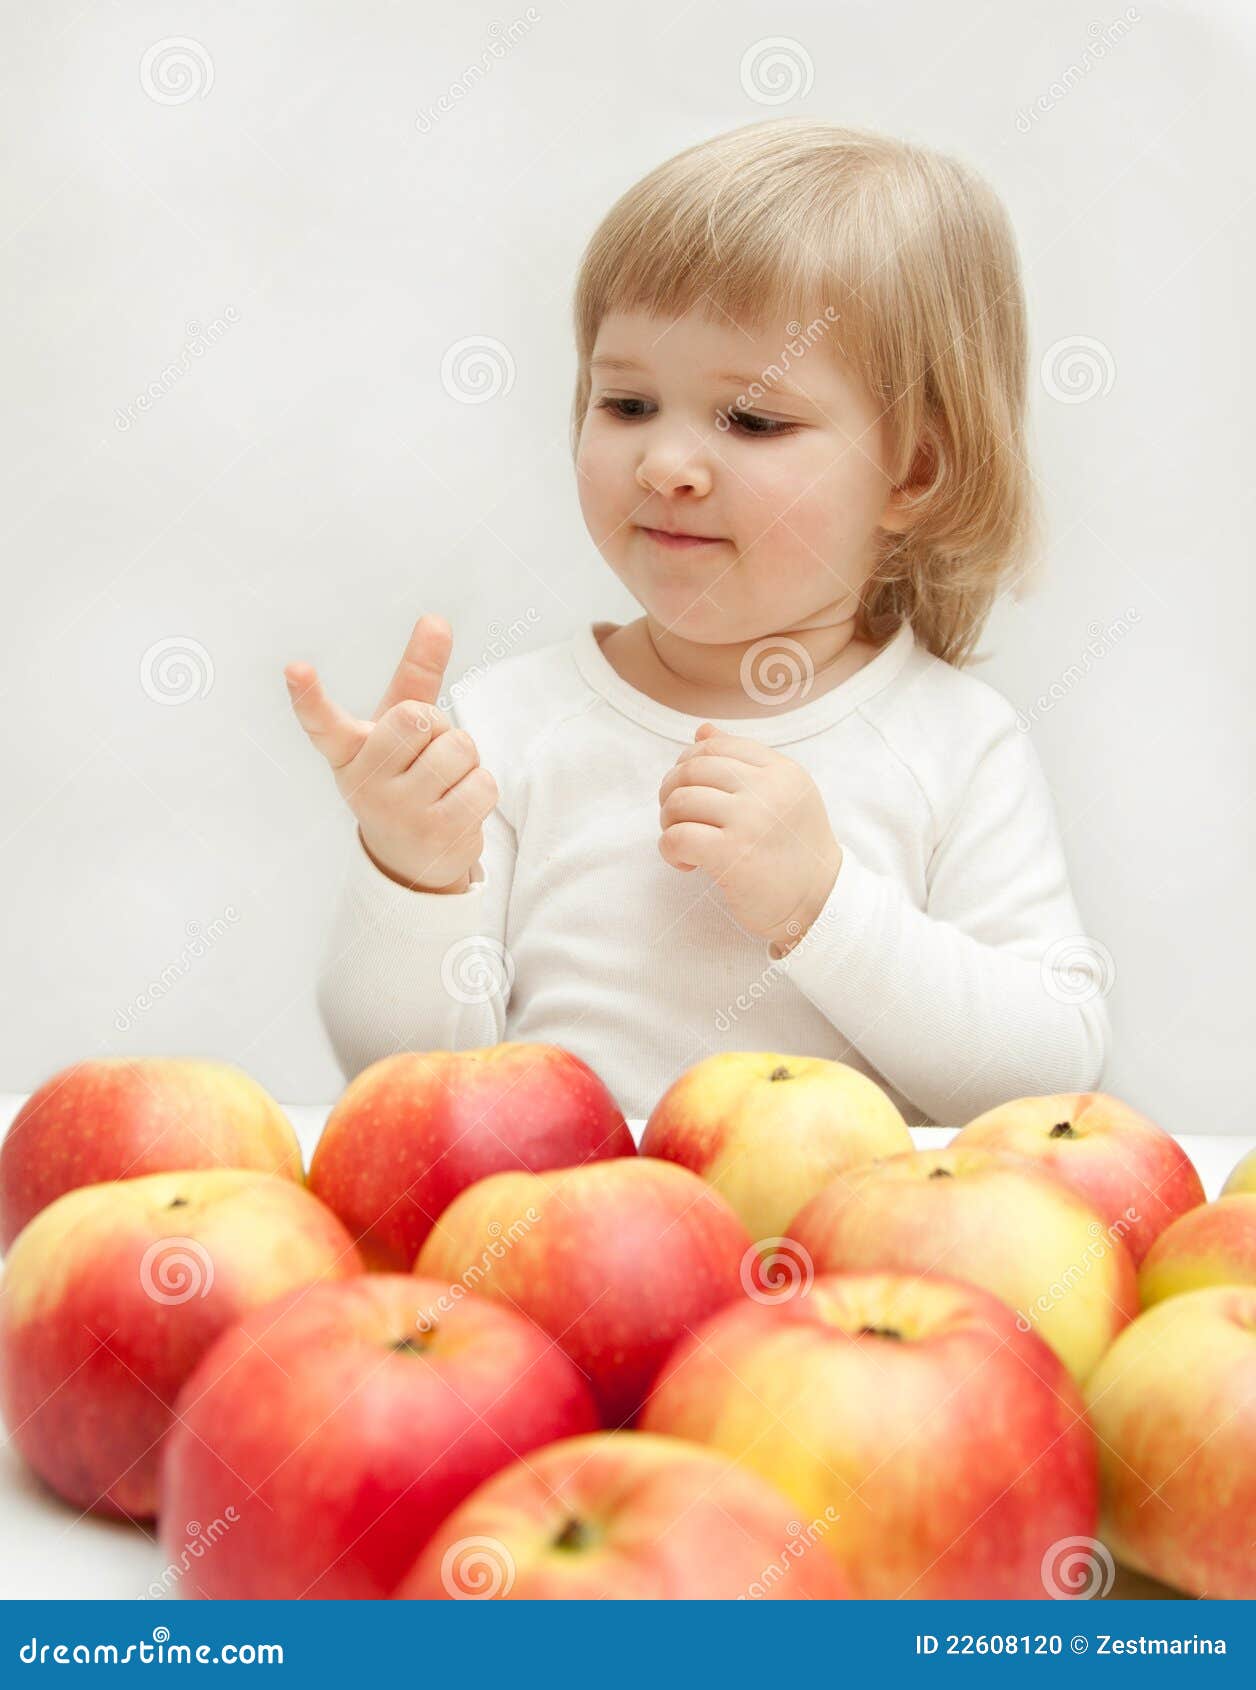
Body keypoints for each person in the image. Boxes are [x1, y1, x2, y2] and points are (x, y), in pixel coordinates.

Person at [285, 118, 1111, 1127]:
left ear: (914, 472)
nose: (664, 464)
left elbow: (1045, 1075)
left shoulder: (955, 744)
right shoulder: (506, 728)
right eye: (626, 402)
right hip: (563, 1254)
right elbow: (400, 1087)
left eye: (753, 420)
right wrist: (409, 872)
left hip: (853, 1267)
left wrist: (820, 904)